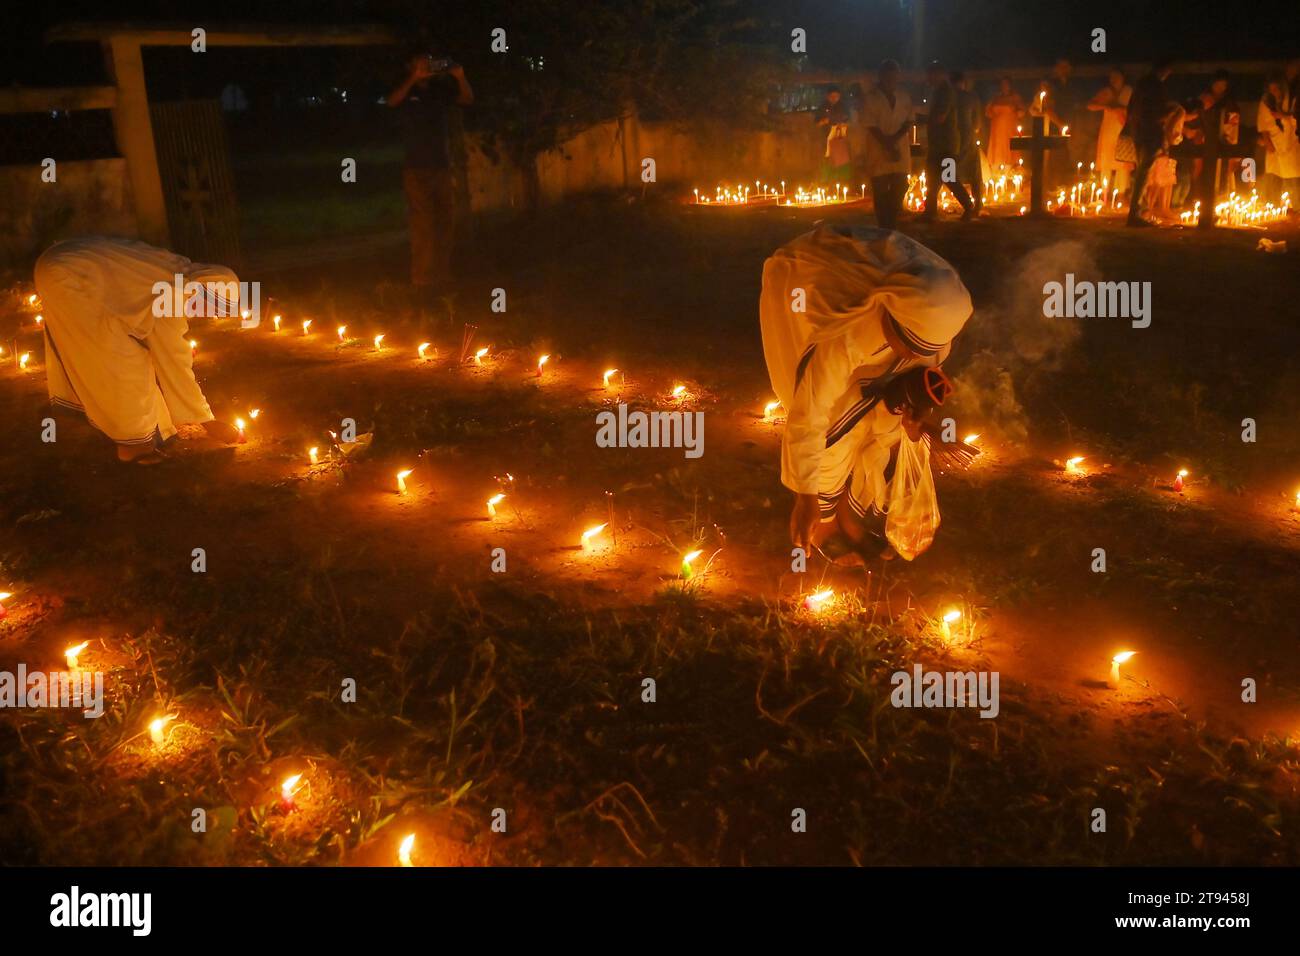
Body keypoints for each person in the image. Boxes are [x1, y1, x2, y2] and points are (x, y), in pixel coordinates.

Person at [759, 226, 973, 562]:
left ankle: (850, 516)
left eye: (919, 349)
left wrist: (915, 414)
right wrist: (805, 495)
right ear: (888, 313)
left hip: (871, 362)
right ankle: (825, 522)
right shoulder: (845, 333)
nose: (907, 355)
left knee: (885, 424)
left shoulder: (934, 317)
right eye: (906, 343)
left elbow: (917, 367)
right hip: (801, 285)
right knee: (834, 427)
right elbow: (810, 412)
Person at [33, 237, 243, 464]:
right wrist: (208, 422)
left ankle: (124, 429)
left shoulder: (177, 270)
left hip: (62, 260)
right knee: (124, 361)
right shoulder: (172, 295)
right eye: (211, 307)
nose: (206, 315)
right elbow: (175, 361)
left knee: (112, 353)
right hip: (69, 276)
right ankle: (133, 445)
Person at [388, 48, 474, 308]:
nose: (425, 64)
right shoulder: (407, 90)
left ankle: (442, 274)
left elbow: (467, 100)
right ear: (410, 65)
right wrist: (414, 79)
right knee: (422, 222)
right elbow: (391, 101)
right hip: (416, 167)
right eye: (419, 60)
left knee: (445, 220)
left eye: (428, 60)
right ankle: (422, 278)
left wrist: (459, 77)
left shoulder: (439, 91)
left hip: (441, 165)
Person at [861, 60, 914, 230]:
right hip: (878, 148)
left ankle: (891, 222)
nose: (892, 79)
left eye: (895, 75)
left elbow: (909, 120)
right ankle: (884, 227)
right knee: (881, 191)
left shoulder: (904, 97)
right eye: (888, 75)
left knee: (900, 186)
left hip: (899, 149)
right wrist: (887, 143)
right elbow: (870, 124)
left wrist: (895, 140)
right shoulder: (871, 98)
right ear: (881, 77)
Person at [1125, 58, 1176, 227]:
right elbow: (1158, 112)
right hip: (1150, 132)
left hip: (1137, 130)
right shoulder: (1156, 86)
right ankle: (1134, 213)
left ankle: (1136, 211)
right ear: (1165, 70)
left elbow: (1130, 107)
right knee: (1143, 171)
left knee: (1142, 170)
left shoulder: (1141, 84)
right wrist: (1173, 111)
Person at [922, 61, 974, 220]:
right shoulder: (939, 91)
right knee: (932, 177)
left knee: (949, 177)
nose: (928, 78)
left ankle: (968, 206)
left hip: (946, 145)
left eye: (930, 75)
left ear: (938, 75)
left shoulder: (945, 92)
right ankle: (930, 211)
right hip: (939, 144)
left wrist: (923, 119)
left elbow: (940, 117)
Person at [1087, 68, 1132, 194]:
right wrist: (1106, 106)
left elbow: (1134, 108)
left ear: (1123, 77)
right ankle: (1104, 194)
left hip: (1123, 128)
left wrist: (1122, 110)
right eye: (1111, 77)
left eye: (1116, 76)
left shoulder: (1128, 91)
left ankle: (1121, 194)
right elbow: (1090, 105)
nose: (1114, 79)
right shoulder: (1106, 92)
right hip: (1108, 129)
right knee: (1106, 161)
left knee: (1122, 163)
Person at [1257, 72, 1300, 204]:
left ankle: (1297, 207)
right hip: (1274, 144)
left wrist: (1283, 116)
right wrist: (1267, 141)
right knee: (1273, 176)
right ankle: (1272, 206)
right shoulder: (1266, 102)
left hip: (1290, 143)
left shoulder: (1292, 100)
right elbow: (1262, 124)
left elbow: (1295, 119)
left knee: (1293, 177)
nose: (1275, 93)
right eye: (1272, 90)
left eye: (1276, 89)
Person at [951, 71, 984, 213]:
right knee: (974, 173)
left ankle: (968, 204)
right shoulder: (972, 97)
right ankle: (976, 204)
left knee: (949, 174)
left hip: (952, 140)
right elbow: (977, 123)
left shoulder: (949, 97)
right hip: (968, 138)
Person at [984, 76, 1025, 174]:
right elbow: (988, 112)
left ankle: (1009, 171)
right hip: (996, 128)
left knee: (1008, 147)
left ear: (1010, 85)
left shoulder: (1015, 97)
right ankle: (996, 172)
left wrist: (1016, 113)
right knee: (997, 148)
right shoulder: (996, 97)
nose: (1004, 86)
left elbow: (1022, 111)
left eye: (1006, 84)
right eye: (1002, 84)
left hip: (1009, 127)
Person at [816, 86, 852, 183]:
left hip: (839, 140)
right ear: (827, 96)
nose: (834, 98)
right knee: (827, 161)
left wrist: (842, 124)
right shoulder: (823, 107)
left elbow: (849, 121)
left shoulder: (843, 107)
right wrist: (824, 121)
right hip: (825, 139)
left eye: (836, 96)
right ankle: (827, 184)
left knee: (841, 162)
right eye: (832, 96)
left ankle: (841, 183)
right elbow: (817, 122)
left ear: (839, 96)